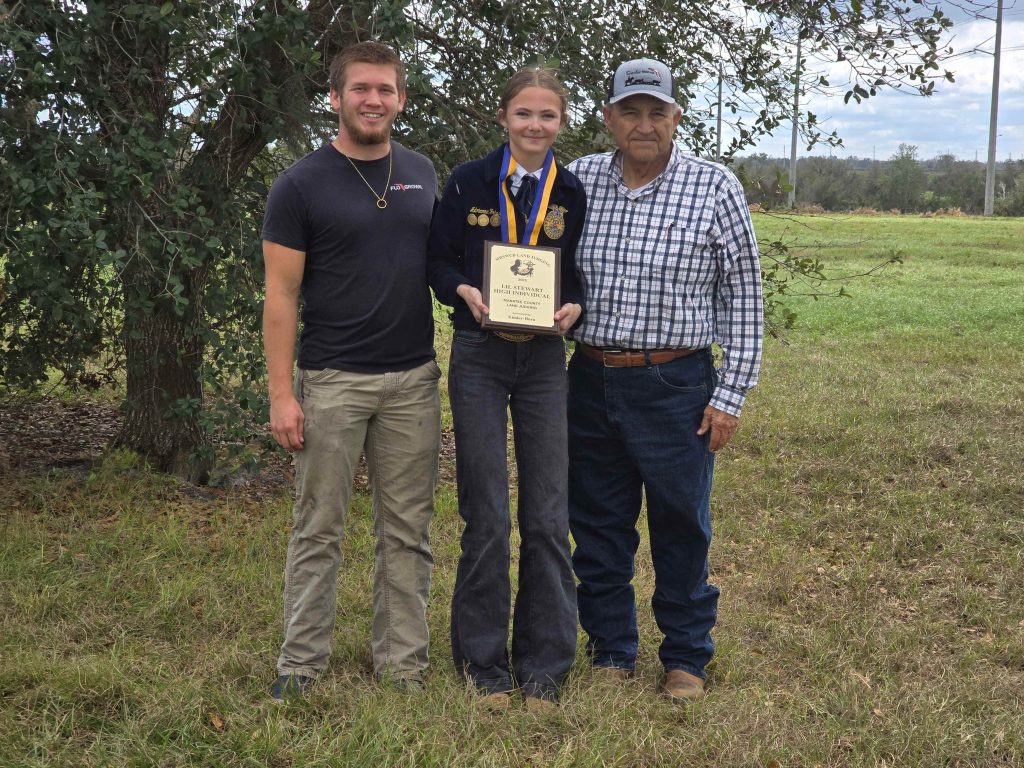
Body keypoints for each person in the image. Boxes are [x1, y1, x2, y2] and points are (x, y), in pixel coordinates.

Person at [565, 58, 763, 703]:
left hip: (677, 382)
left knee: (681, 522)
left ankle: (685, 657)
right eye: (630, 111)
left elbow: (744, 297)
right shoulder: (578, 180)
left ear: (677, 117)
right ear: (609, 118)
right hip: (589, 377)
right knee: (597, 523)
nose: (643, 124)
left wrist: (730, 394)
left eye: (657, 112)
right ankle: (612, 652)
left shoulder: (715, 186)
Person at [261, 41, 441, 702]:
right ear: (334, 98)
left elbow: (449, 265)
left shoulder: (422, 172)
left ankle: (402, 666)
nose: (374, 100)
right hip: (332, 380)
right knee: (319, 527)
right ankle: (301, 663)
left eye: (386, 89)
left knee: (407, 532)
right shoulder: (300, 184)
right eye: (361, 89)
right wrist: (283, 394)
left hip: (413, 380)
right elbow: (280, 295)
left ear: (401, 99)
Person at [427, 67, 586, 711]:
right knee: (487, 511)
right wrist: (462, 290)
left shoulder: (569, 191)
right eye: (524, 113)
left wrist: (573, 306)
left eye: (547, 116)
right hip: (480, 355)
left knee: (548, 515)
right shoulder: (468, 179)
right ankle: (484, 661)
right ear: (503, 117)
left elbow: (576, 275)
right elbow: (436, 260)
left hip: (545, 360)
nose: (535, 126)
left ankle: (546, 664)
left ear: (561, 123)